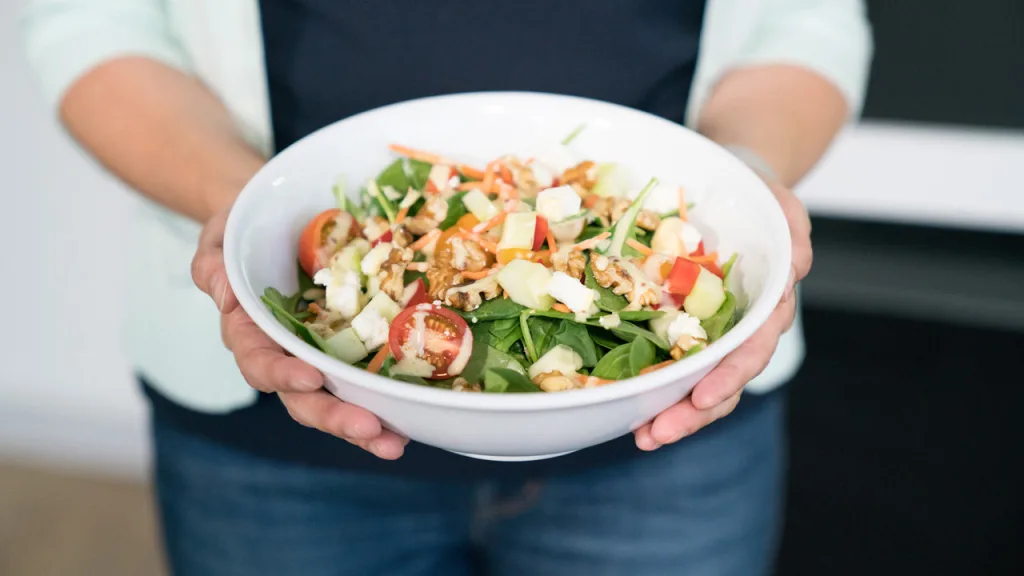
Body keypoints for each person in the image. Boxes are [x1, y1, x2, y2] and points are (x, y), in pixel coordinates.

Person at [23, 1, 872, 574]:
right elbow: (90, 24)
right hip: (272, 451)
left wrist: (740, 192)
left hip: (677, 440)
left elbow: (805, 28)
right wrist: (250, 213)